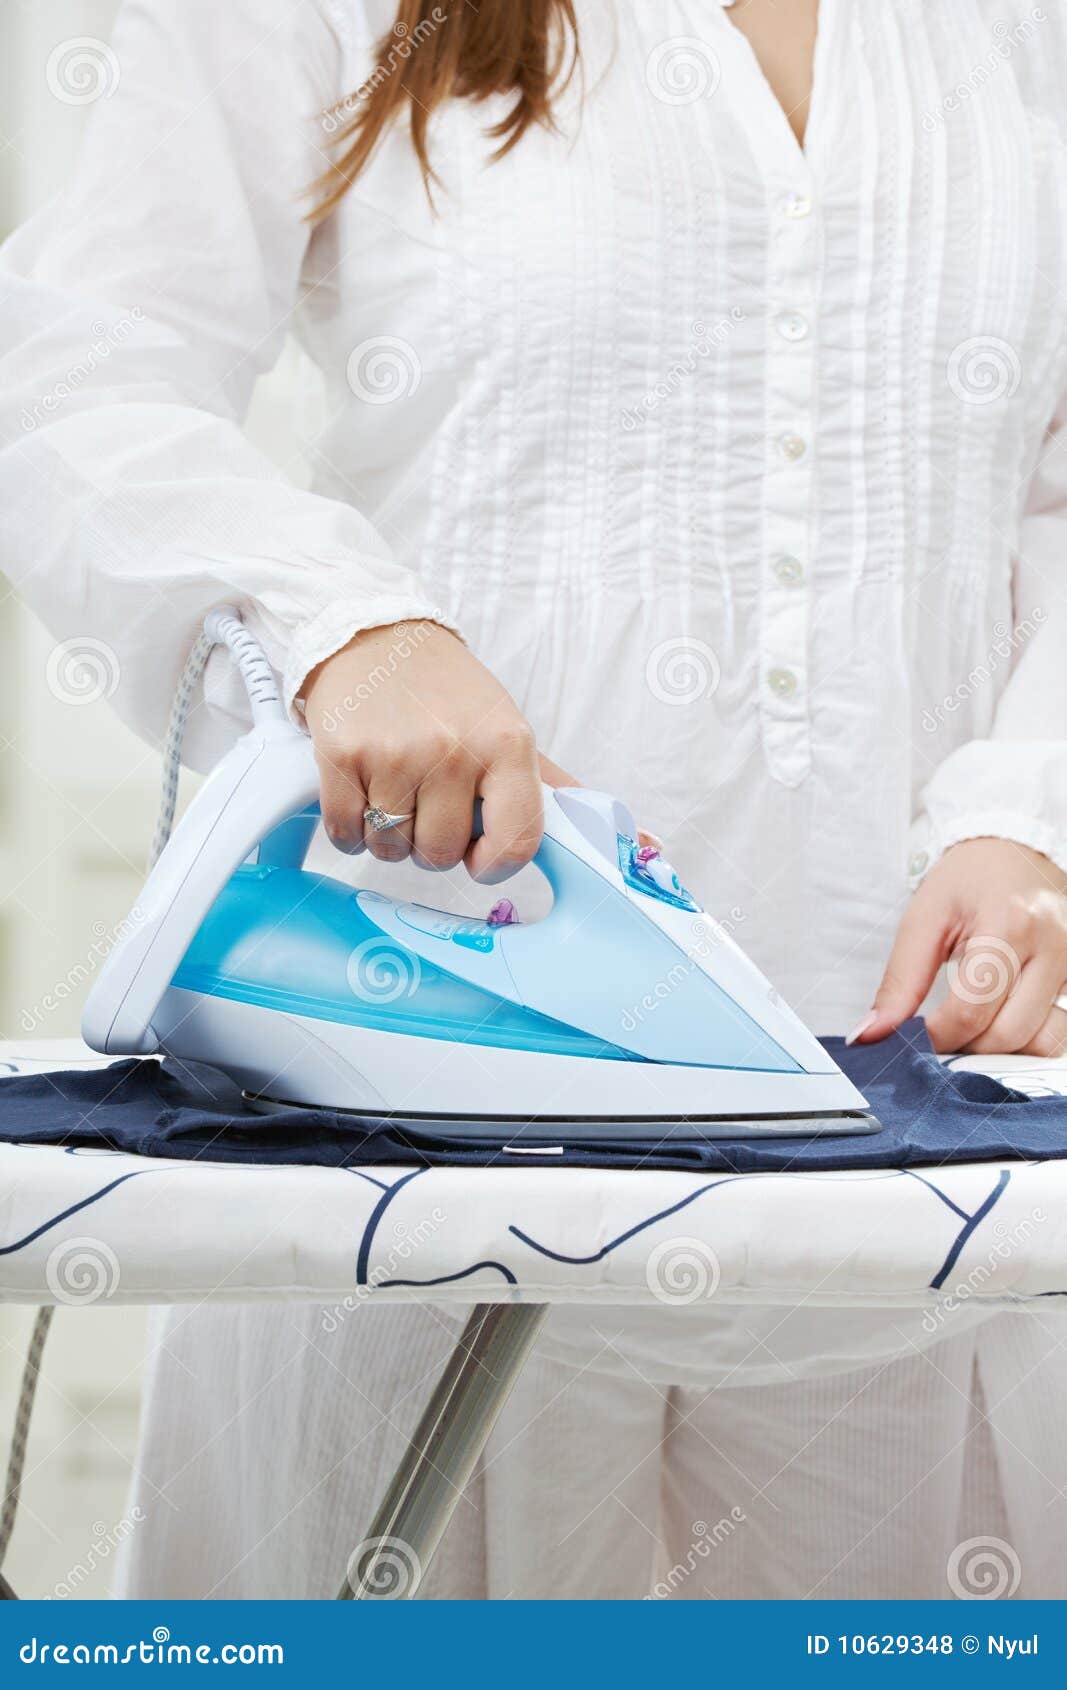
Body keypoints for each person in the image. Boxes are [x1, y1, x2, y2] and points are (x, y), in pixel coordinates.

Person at [2, 0, 1066, 1599]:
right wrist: (341, 624)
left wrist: (1030, 803)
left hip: (925, 1199)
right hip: (415, 1178)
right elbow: (80, 373)